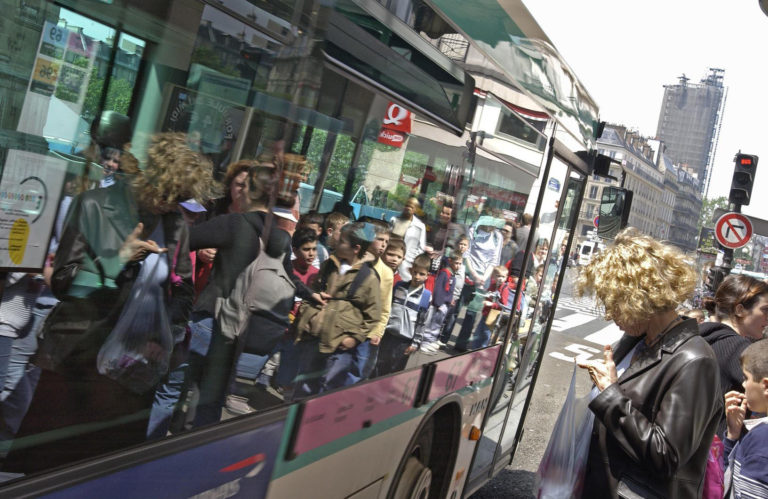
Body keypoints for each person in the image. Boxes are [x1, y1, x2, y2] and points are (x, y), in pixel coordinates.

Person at [5, 133, 212, 473]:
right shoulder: (94, 205)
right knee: (52, 469)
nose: (175, 206)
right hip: (78, 361)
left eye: (182, 200)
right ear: (152, 180)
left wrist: (165, 335)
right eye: (172, 196)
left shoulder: (175, 224)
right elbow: (63, 281)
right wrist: (117, 260)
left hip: (131, 370)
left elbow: (184, 291)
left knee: (105, 474)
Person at [575, 228, 721, 498]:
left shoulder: (695, 361)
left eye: (615, 303)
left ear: (639, 298)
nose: (609, 314)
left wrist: (610, 394)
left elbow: (665, 456)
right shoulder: (637, 341)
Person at [187, 161, 319, 425]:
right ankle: (199, 443)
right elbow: (289, 276)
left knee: (175, 386)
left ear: (248, 191)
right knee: (212, 394)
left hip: (211, 317)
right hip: (239, 327)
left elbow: (184, 238)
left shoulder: (234, 223)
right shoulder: (279, 237)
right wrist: (310, 294)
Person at [292, 222, 381, 397]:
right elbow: (314, 291)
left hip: (340, 345)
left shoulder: (368, 278)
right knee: (304, 383)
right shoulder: (328, 266)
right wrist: (308, 316)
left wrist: (355, 338)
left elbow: (373, 315)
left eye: (342, 242)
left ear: (355, 248)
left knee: (329, 388)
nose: (336, 244)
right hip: (315, 337)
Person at [700, 274, 767, 435]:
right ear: (740, 310)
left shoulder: (702, 337)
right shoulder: (738, 348)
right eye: (765, 310)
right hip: (721, 448)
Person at [195, 160, 254, 297]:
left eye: (249, 186)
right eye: (239, 184)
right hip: (194, 287)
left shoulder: (257, 221)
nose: (243, 190)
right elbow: (185, 237)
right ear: (230, 185)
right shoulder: (209, 208)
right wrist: (199, 251)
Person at [349, 220, 393, 384]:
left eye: (387, 242)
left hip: (367, 331)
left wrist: (379, 330)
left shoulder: (386, 273)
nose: (383, 245)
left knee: (358, 370)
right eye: (380, 239)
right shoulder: (353, 261)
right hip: (346, 324)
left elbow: (384, 306)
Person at [723, 339, 768, 498]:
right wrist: (733, 435)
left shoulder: (760, 439)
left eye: (746, 377)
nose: (743, 384)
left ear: (766, 386)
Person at [375, 254, 432, 375]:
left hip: (404, 341)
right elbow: (387, 308)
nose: (417, 277)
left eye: (421, 274)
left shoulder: (426, 296)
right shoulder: (399, 287)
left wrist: (415, 343)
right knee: (378, 367)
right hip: (388, 335)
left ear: (427, 275)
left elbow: (422, 322)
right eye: (415, 272)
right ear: (411, 271)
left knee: (394, 371)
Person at [421, 254, 459, 353]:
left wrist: (449, 300)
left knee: (437, 324)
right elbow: (439, 289)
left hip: (445, 304)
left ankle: (431, 340)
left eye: (460, 264)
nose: (458, 265)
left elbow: (449, 291)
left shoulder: (451, 275)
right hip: (439, 304)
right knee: (430, 323)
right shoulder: (444, 273)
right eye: (456, 263)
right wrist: (438, 303)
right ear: (450, 261)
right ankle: (424, 342)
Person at [471, 265, 510, 349]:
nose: (500, 278)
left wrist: (491, 304)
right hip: (486, 313)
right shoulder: (492, 285)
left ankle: (482, 350)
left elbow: (504, 305)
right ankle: (474, 349)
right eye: (498, 276)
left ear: (506, 278)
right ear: (493, 276)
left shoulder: (504, 289)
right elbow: (488, 296)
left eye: (503, 277)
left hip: (494, 317)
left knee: (486, 334)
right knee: (478, 332)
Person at [389, 197, 427, 282]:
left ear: (415, 210)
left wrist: (413, 261)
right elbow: (388, 238)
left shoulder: (420, 226)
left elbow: (421, 248)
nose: (408, 208)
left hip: (407, 263)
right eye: (407, 206)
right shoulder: (394, 220)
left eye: (411, 207)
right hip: (392, 258)